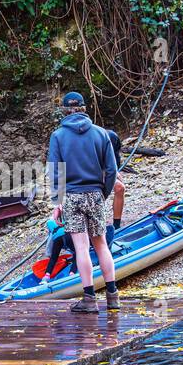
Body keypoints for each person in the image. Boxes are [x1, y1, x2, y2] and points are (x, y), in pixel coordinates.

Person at [46, 91, 119, 313]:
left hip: (73, 196)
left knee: (81, 248)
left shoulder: (58, 136)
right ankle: (113, 296)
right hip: (96, 194)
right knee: (102, 245)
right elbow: (112, 170)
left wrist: (57, 203)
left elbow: (55, 172)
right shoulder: (100, 134)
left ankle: (89, 299)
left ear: (64, 111)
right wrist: (102, 193)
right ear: (85, 108)